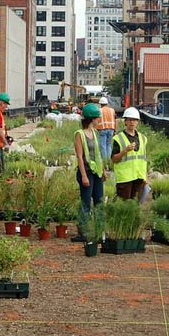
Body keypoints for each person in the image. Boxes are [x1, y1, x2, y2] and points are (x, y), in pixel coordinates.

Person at [74, 103, 105, 240]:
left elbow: (98, 154)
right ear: (91, 118)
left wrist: (102, 170)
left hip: (96, 172)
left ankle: (99, 229)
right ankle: (83, 231)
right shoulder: (79, 134)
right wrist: (84, 176)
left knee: (99, 201)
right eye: (97, 118)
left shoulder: (94, 133)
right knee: (86, 203)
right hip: (86, 172)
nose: (99, 120)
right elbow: (80, 156)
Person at [111, 107, 148, 202]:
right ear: (125, 122)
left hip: (139, 177)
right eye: (129, 120)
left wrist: (145, 177)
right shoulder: (118, 138)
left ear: (137, 122)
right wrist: (124, 151)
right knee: (124, 206)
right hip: (125, 179)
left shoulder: (143, 138)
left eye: (134, 120)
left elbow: (144, 159)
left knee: (135, 205)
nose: (132, 122)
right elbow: (114, 159)